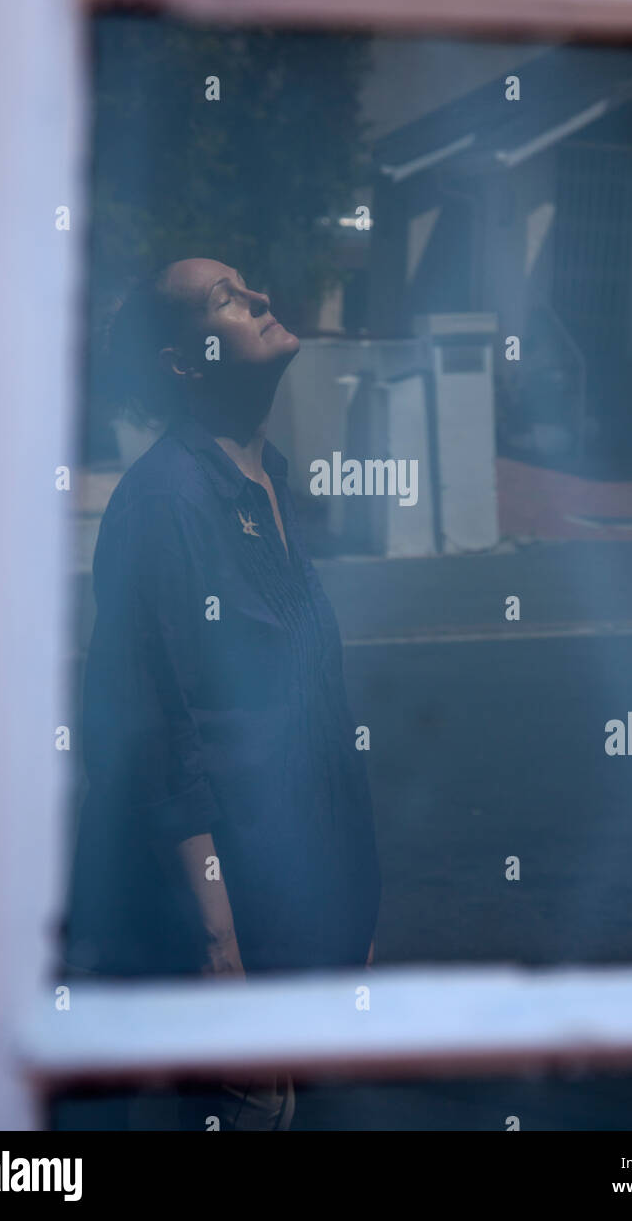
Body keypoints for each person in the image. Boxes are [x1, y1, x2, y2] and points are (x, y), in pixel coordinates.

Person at [64, 259, 381, 1130]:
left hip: (301, 934)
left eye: (249, 286)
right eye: (226, 299)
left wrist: (354, 903)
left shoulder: (268, 482)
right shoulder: (164, 506)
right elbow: (151, 746)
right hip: (222, 957)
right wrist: (218, 959)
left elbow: (314, 711)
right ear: (185, 361)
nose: (263, 299)